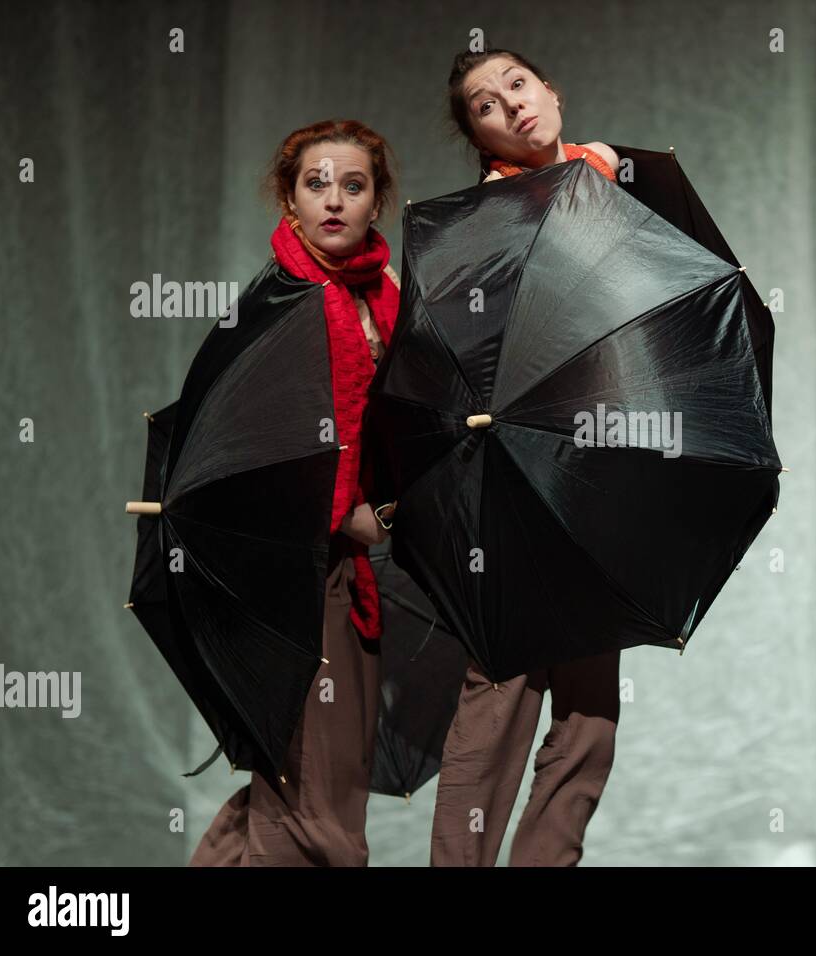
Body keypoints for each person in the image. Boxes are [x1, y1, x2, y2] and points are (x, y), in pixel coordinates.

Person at [429, 48, 622, 868]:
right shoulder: (489, 219)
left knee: (590, 717)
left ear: (550, 91)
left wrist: (603, 172)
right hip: (514, 475)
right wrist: (595, 177)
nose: (507, 104)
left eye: (516, 84)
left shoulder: (609, 180)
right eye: (483, 104)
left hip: (600, 469)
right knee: (501, 693)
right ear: (479, 136)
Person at [189, 119, 400, 866]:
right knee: (310, 786)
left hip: (353, 563)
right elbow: (242, 448)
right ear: (289, 201)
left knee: (320, 775)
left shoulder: (388, 301)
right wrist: (339, 509)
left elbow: (401, 434)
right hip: (283, 572)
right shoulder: (275, 304)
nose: (334, 201)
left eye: (353, 185)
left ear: (377, 203)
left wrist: (385, 514)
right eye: (316, 185)